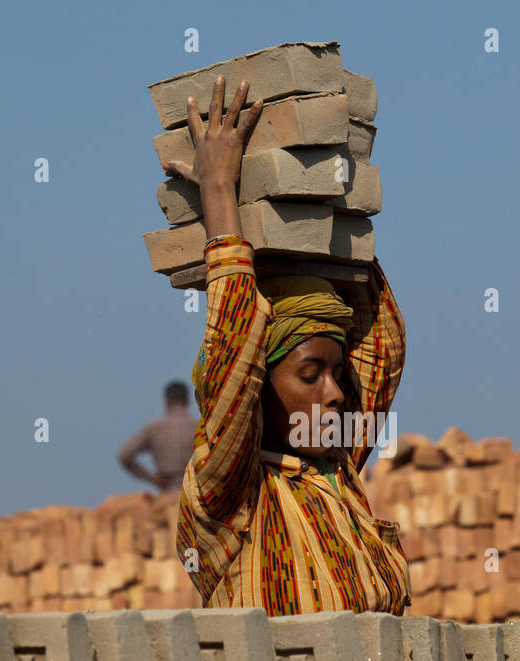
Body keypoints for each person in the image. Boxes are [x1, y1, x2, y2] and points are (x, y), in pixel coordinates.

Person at [166, 76, 409, 615]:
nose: (337, 393)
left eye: (337, 372)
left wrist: (325, 211)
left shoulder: (339, 471)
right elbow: (233, 355)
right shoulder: (228, 497)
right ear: (258, 385)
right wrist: (219, 194)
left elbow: (382, 345)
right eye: (309, 374)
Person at [117, 380, 198, 493]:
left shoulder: (154, 428)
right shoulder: (198, 427)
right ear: (188, 401)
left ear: (166, 401)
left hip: (167, 492)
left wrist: (152, 479)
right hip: (194, 491)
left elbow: (124, 455)